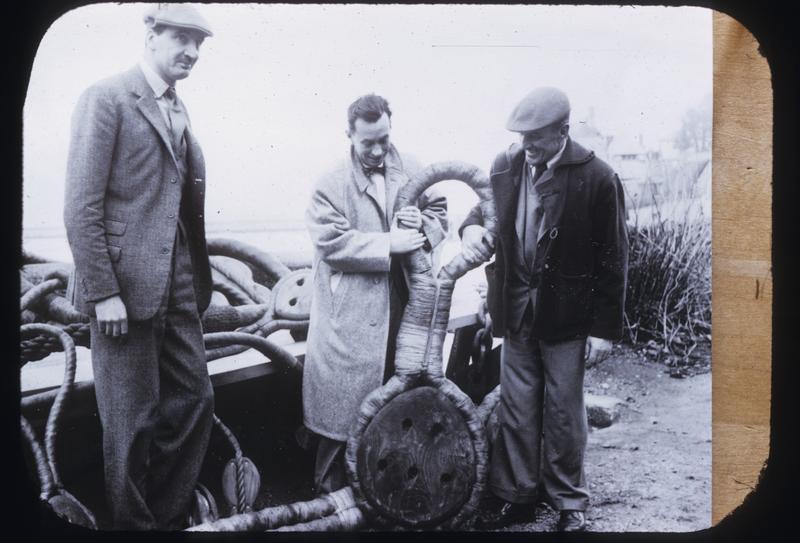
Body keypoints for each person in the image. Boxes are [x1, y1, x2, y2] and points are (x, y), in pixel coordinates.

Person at [63, 5, 215, 530]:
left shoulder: (178, 107)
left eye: (200, 43)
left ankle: (164, 520)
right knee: (130, 423)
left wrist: (193, 278)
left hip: (177, 284)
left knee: (196, 398)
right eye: (182, 39)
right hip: (122, 291)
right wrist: (103, 292)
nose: (192, 52)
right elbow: (81, 206)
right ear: (150, 34)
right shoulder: (106, 99)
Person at [460, 87, 628, 532]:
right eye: (521, 137)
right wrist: (470, 230)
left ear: (563, 132)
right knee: (516, 407)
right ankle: (518, 496)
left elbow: (614, 259)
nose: (527, 146)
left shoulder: (598, 178)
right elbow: (478, 213)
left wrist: (604, 330)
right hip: (515, 311)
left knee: (564, 413)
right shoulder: (507, 165)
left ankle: (570, 503)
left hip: (567, 318)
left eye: (536, 137)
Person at [303, 94, 448, 494]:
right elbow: (331, 243)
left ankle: (392, 495)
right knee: (341, 416)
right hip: (350, 321)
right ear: (349, 135)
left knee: (400, 405)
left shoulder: (415, 169)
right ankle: (330, 500)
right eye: (368, 142)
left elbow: (439, 213)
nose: (378, 149)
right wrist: (390, 244)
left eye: (384, 138)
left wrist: (424, 226)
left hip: (405, 311)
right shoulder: (330, 183)